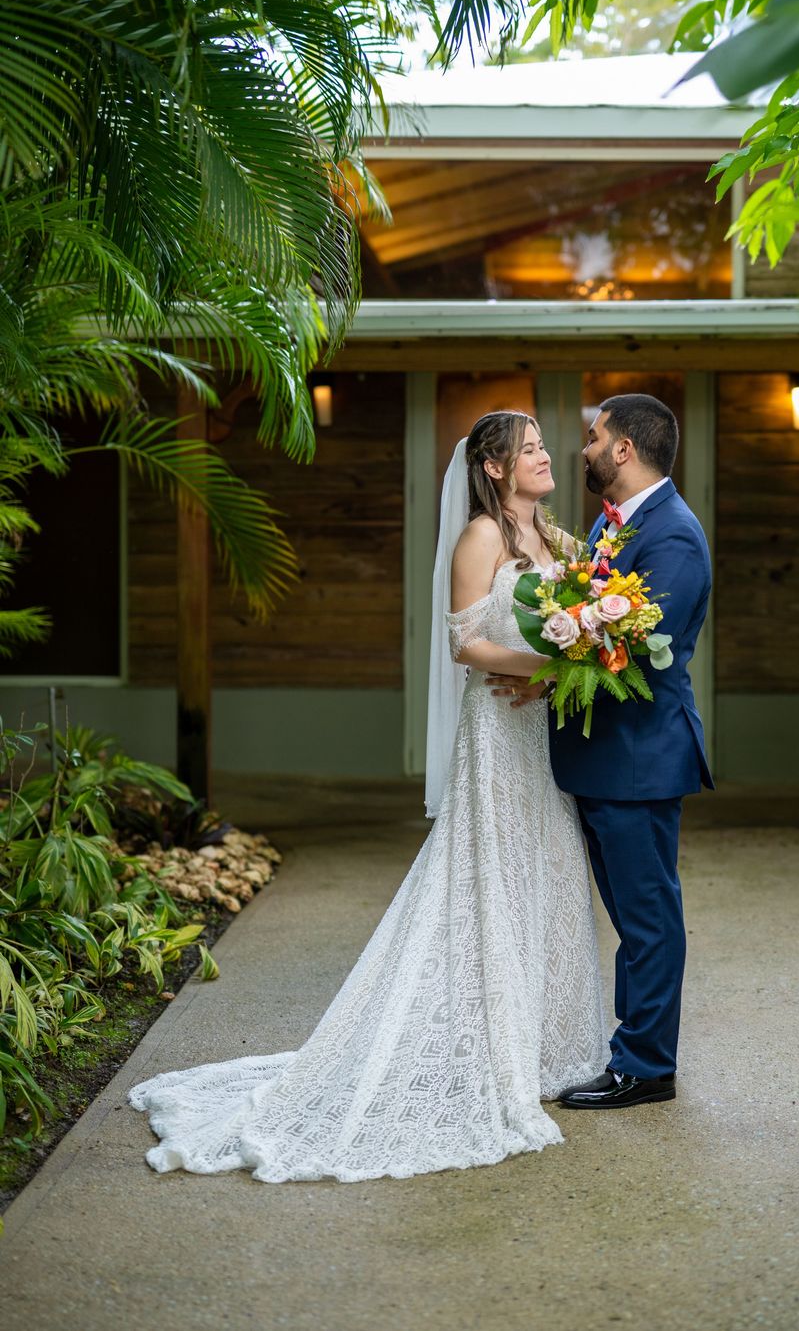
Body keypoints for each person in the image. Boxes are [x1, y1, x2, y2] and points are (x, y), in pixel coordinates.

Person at [128, 410, 606, 1183]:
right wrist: (546, 670)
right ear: (493, 468)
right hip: (500, 730)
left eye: (546, 447)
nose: (547, 458)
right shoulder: (482, 539)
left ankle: (546, 1041)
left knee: (546, 874)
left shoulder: (555, 540)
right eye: (531, 451)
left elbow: (577, 622)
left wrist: (581, 653)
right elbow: (464, 643)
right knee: (496, 876)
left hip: (544, 733)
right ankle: (485, 1045)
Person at [491, 393, 712, 1109]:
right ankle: (632, 1050)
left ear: (622, 449)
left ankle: (646, 1067)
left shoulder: (673, 535)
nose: (581, 449)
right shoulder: (614, 524)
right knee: (633, 917)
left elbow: (637, 649)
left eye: (593, 438)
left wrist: (547, 677)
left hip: (639, 759)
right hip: (607, 758)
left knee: (648, 919)